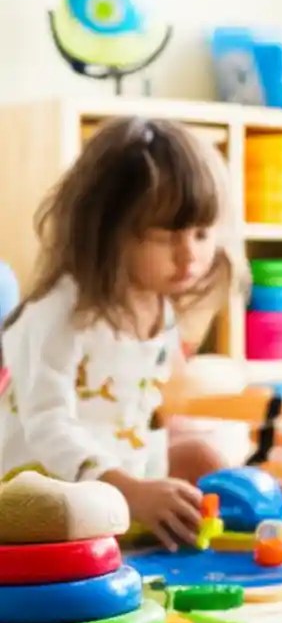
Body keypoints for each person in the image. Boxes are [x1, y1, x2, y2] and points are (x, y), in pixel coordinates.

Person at [0, 117, 236, 551]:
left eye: (201, 234)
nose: (190, 256)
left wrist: (148, 485)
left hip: (116, 478)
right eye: (166, 236)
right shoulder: (59, 314)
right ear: (110, 231)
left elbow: (139, 413)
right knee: (76, 516)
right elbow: (48, 427)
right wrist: (132, 490)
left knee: (204, 459)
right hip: (37, 485)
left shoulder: (159, 307)